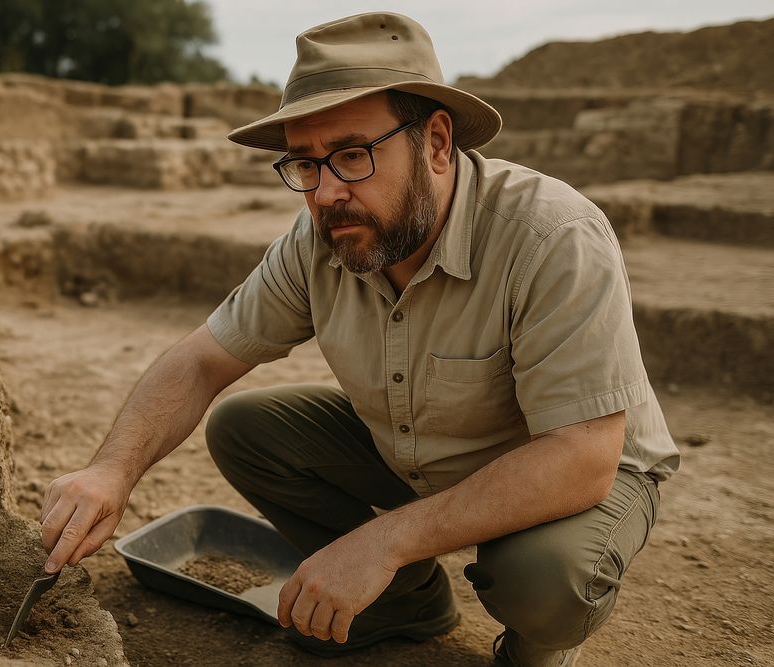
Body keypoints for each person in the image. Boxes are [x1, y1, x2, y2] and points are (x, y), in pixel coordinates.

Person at [39, 11, 680, 666]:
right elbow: (202, 360)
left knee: (545, 583)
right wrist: (111, 469)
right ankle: (405, 603)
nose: (327, 192)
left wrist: (383, 540)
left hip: (571, 462)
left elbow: (582, 454)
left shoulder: (550, 236)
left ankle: (536, 646)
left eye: (351, 154)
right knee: (246, 429)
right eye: (305, 164)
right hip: (426, 445)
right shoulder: (324, 237)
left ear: (435, 142)